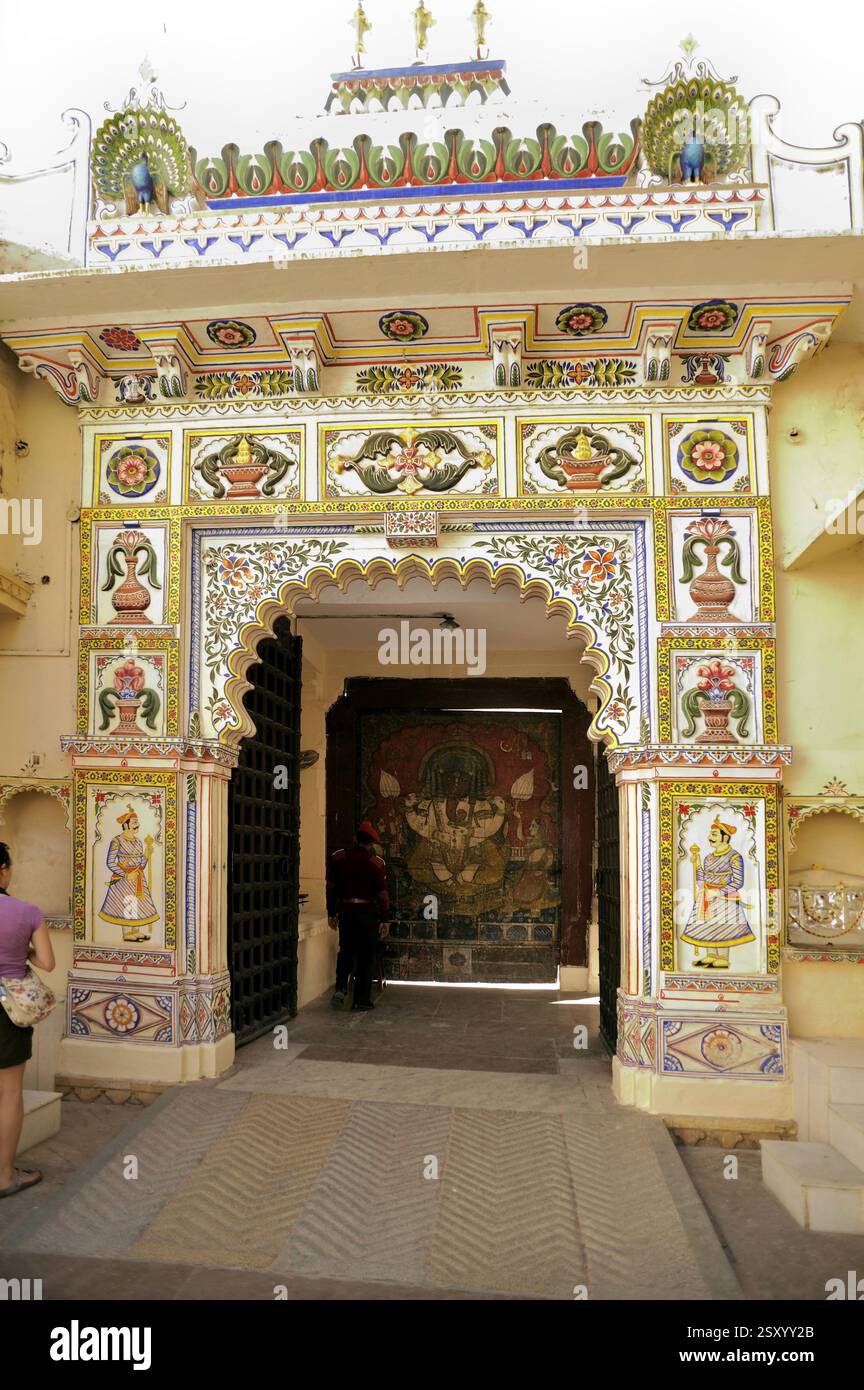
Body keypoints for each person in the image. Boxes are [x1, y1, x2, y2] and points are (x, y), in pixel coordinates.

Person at [0, 841, 55, 1199]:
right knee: (9, 1093)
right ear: (4, 870)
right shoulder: (27, 912)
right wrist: (25, 950)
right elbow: (48, 963)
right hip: (7, 1012)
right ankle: (4, 1176)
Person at [327, 821, 389, 1011]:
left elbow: (331, 889)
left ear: (355, 839)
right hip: (367, 915)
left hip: (346, 913)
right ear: (371, 844)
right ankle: (361, 999)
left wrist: (331, 912)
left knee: (345, 951)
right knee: (366, 957)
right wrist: (385, 919)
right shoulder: (376, 863)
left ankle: (341, 988)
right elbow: (382, 896)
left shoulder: (339, 858)